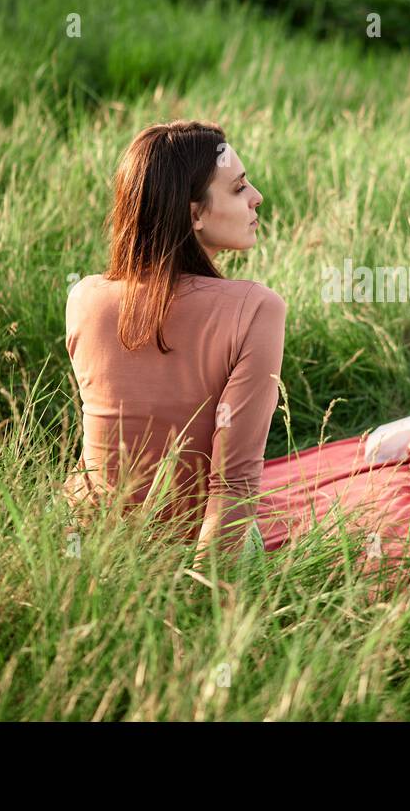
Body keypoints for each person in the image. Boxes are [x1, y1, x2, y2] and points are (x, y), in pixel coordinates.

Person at [62, 120, 284, 566]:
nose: (257, 196)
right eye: (239, 188)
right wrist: (203, 599)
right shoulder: (257, 308)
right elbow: (233, 484)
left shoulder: (84, 297)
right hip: (182, 549)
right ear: (195, 213)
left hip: (80, 545)